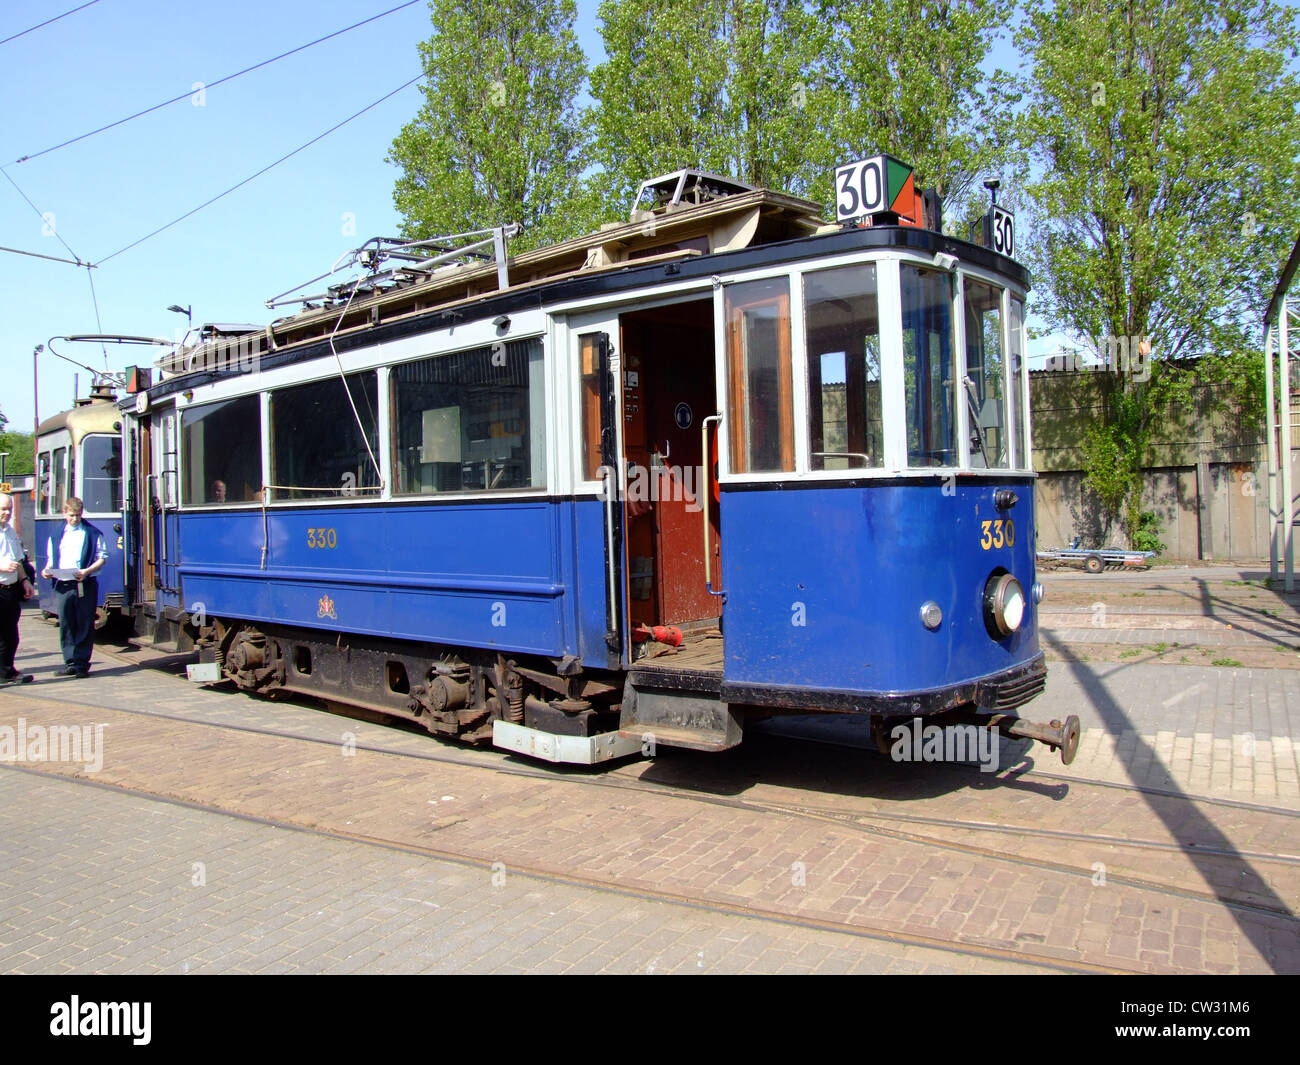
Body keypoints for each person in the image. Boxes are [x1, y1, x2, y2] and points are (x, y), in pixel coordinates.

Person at [40, 497, 107, 678]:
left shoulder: (92, 533)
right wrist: (47, 571)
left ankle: (82, 664)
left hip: (84, 583)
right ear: (64, 513)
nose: (75, 519)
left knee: (84, 623)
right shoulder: (56, 534)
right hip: (63, 584)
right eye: (71, 515)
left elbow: (102, 557)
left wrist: (87, 571)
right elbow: (51, 560)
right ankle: (70, 662)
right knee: (67, 623)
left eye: (78, 515)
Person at [0, 494, 36, 686]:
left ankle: (7, 671)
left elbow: (17, 559)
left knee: (10, 634)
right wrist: (1, 567)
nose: (7, 513)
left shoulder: (10, 531)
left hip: (10, 589)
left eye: (9, 510)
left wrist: (25, 580)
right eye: (3, 509)